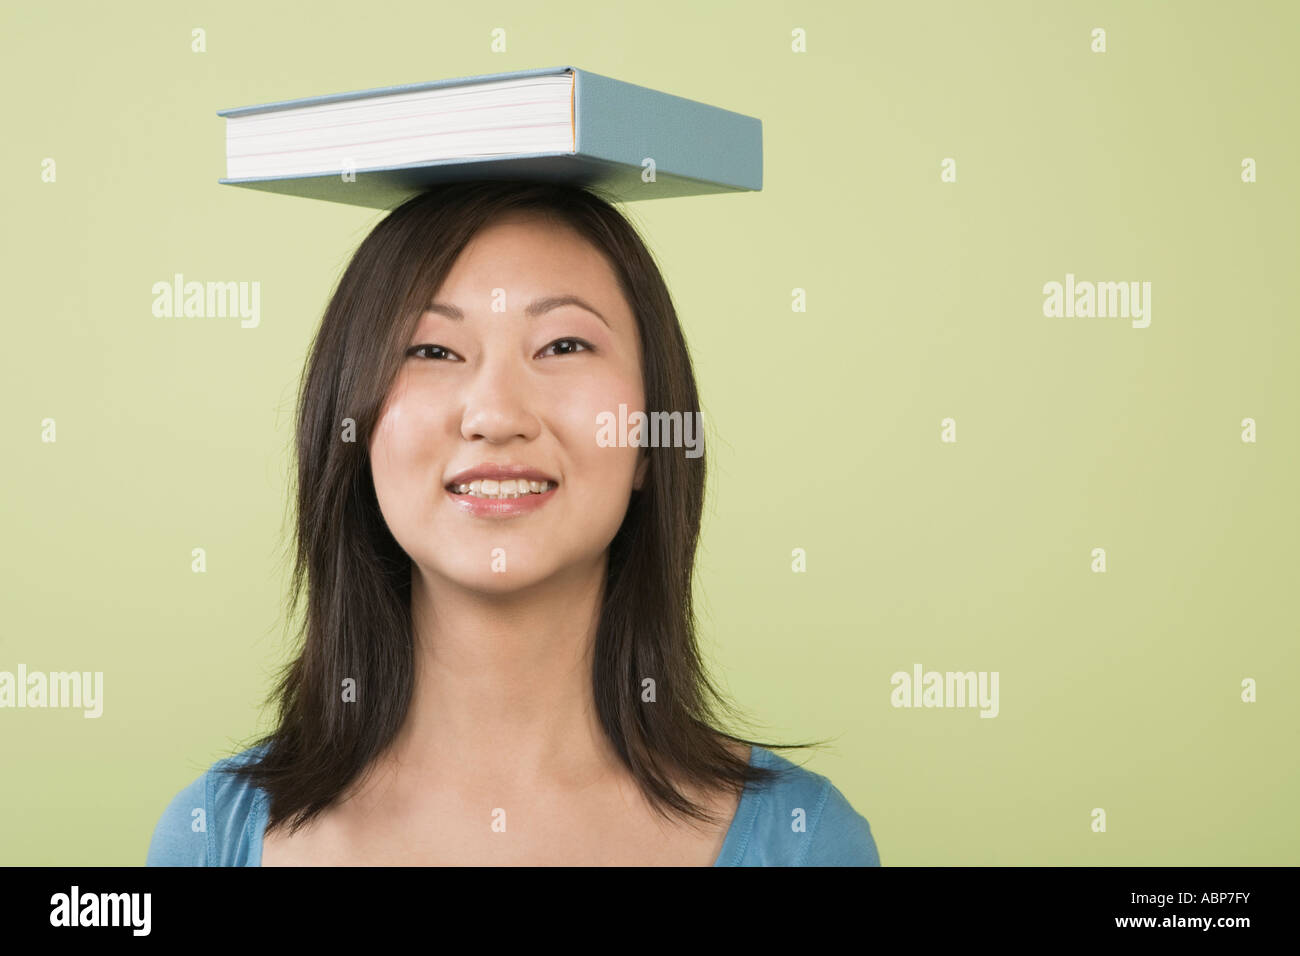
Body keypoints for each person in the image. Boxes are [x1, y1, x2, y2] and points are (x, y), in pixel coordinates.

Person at [146, 179, 880, 866]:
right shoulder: (215, 835)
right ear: (355, 429)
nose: (496, 415)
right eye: (431, 350)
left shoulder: (804, 843)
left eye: (563, 346)